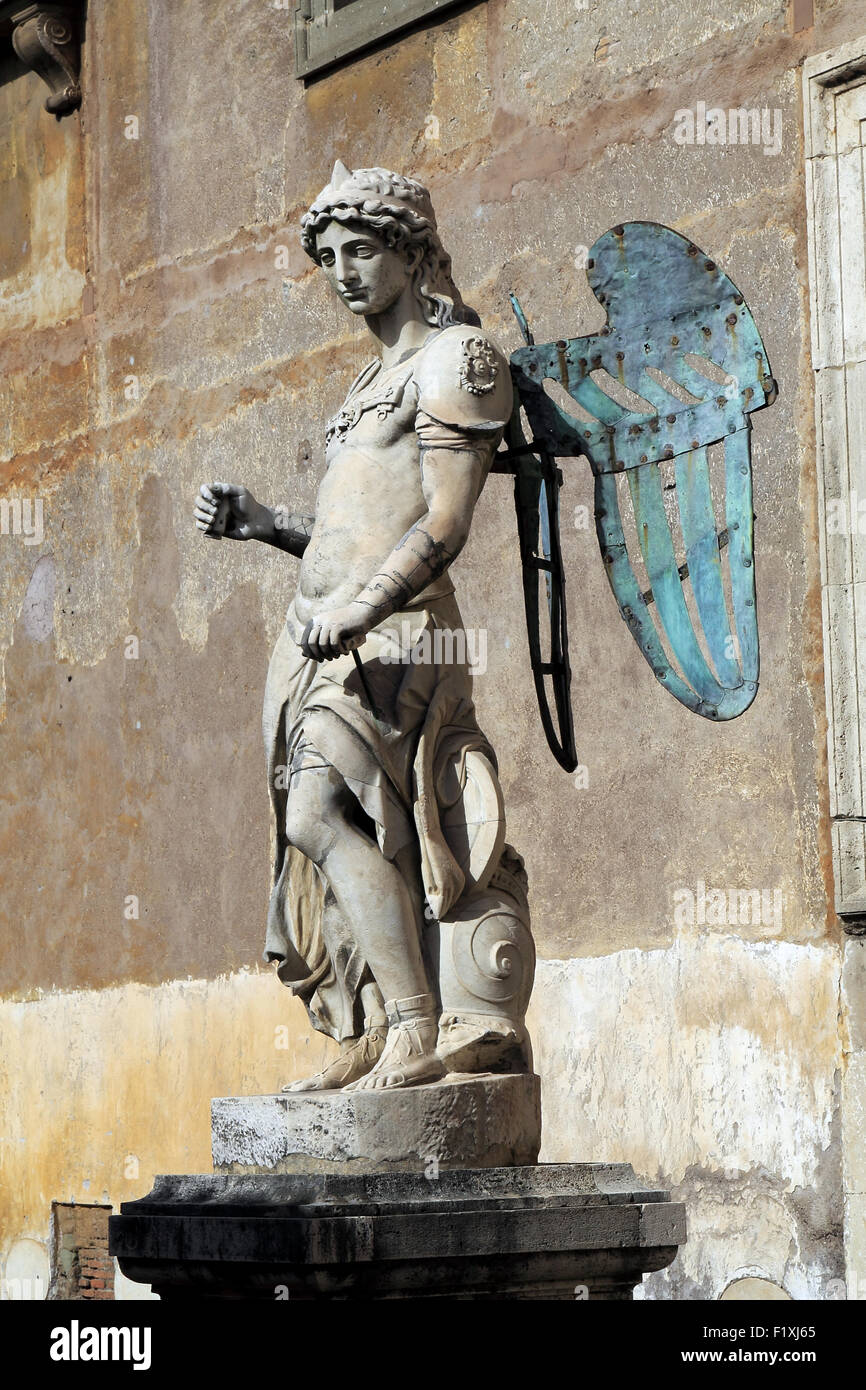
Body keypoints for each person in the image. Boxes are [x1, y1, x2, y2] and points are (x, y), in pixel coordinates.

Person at [194, 163, 528, 1091]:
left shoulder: (457, 360)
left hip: (399, 634)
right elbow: (354, 530)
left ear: (411, 252)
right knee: (329, 826)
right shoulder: (369, 379)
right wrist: (270, 528)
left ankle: (418, 1024)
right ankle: (379, 1021)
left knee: (321, 814)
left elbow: (444, 524)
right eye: (329, 256)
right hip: (325, 636)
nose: (342, 271)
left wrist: (359, 610)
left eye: (362, 250)